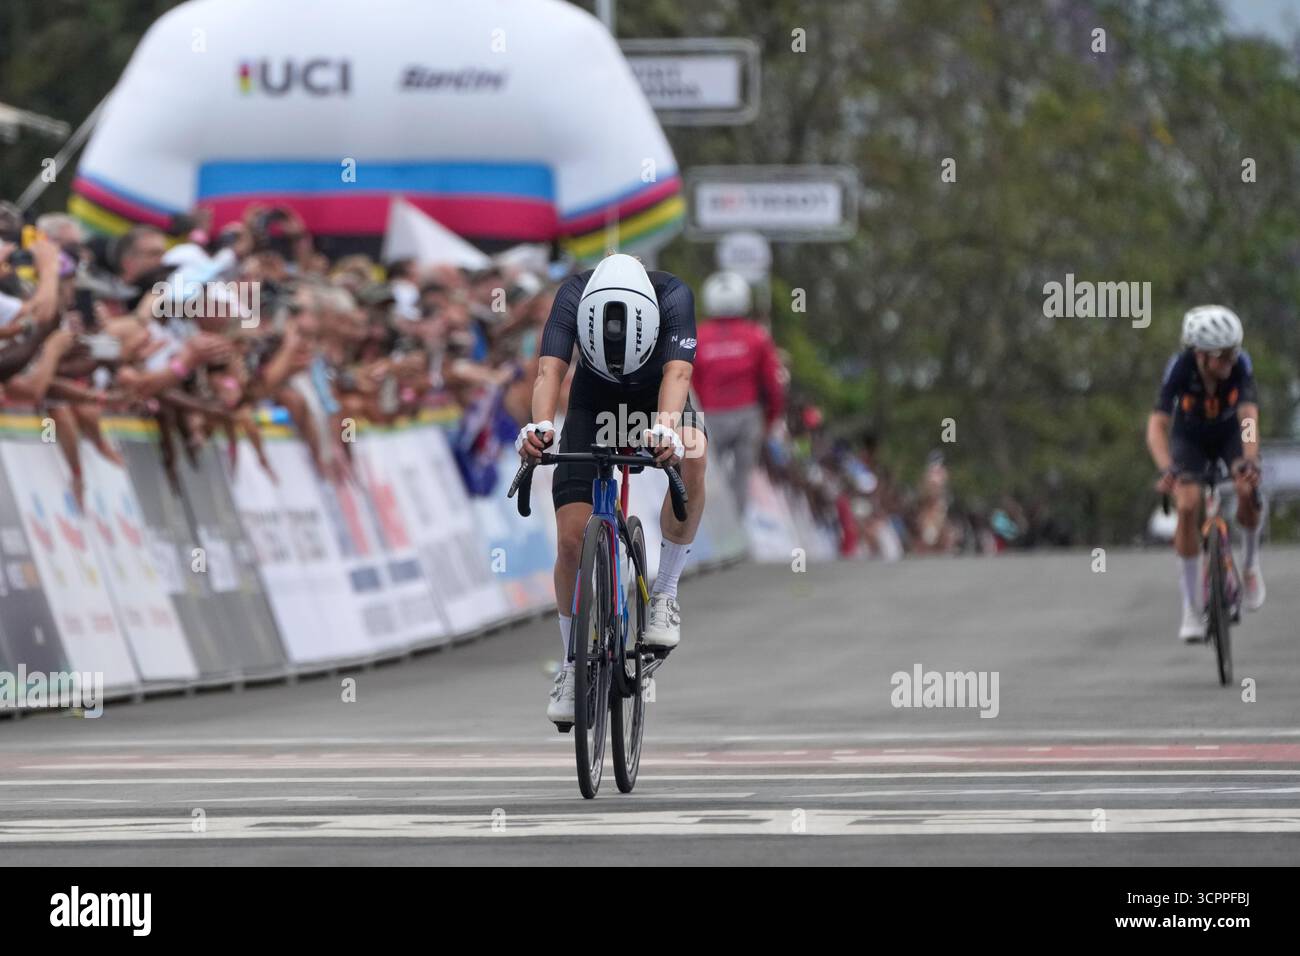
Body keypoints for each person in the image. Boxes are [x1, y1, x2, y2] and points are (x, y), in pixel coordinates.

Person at [515, 253, 708, 727]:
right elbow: (548, 372)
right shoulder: (570, 295)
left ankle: (664, 593)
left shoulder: (674, 295)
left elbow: (678, 374)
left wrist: (664, 429)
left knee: (695, 449)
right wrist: (539, 426)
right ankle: (570, 665)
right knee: (569, 541)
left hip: (657, 395)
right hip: (593, 402)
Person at [1147, 305, 1263, 643]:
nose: (1230, 361)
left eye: (1233, 353)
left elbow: (1248, 418)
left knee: (1246, 488)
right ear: (1200, 354)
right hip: (1191, 438)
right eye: (1222, 356)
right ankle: (1190, 606)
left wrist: (1250, 460)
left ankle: (1251, 565)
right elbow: (1157, 425)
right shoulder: (1180, 369)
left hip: (1230, 435)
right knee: (1186, 504)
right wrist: (1167, 467)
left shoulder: (1241, 366)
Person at [690, 270, 784, 515]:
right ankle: (736, 526)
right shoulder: (757, 336)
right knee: (742, 477)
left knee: (709, 475)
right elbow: (773, 382)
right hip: (748, 416)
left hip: (710, 416)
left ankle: (711, 526)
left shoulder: (699, 335)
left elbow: (690, 381)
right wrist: (771, 417)